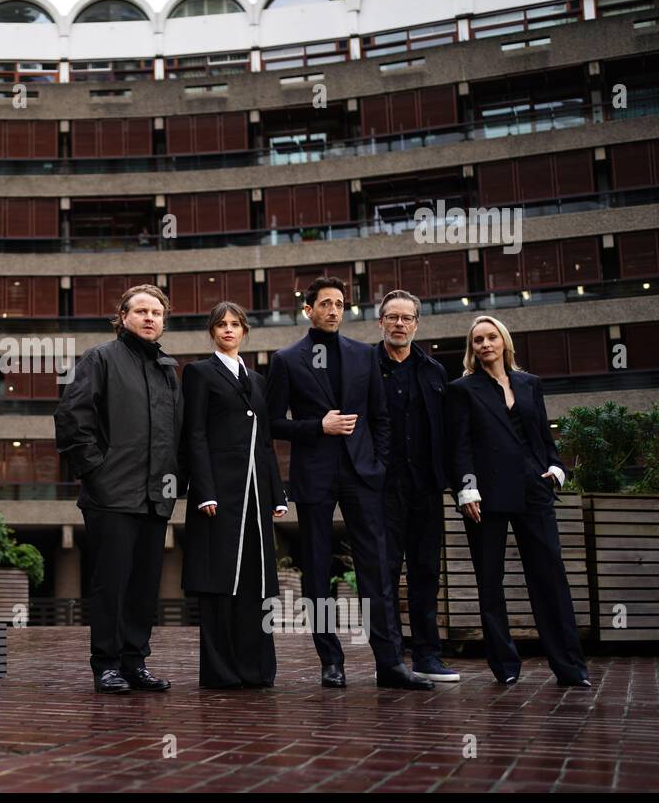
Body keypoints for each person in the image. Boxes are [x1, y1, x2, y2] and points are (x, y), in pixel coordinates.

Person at [266, 276, 433, 690]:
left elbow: (380, 418)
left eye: (339, 303)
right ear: (309, 310)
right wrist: (317, 427)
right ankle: (331, 660)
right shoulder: (286, 359)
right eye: (325, 303)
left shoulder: (363, 356)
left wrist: (376, 464)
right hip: (315, 476)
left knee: (376, 569)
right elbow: (273, 423)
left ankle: (390, 662)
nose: (333, 310)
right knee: (317, 571)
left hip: (362, 476)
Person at [445, 315, 590, 687]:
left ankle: (570, 668)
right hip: (485, 495)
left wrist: (557, 469)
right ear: (472, 349)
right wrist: (466, 488)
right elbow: (458, 445)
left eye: (491, 337)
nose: (485, 345)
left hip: (534, 489)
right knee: (490, 582)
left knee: (550, 579)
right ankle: (506, 667)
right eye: (478, 340)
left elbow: (543, 437)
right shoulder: (463, 389)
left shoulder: (530, 385)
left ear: (504, 342)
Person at [54, 284, 185, 694]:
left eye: (157, 313)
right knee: (111, 583)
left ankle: (134, 662)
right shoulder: (100, 358)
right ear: (123, 317)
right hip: (111, 496)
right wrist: (97, 472)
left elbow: (176, 435)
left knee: (144, 586)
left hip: (155, 497)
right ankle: (106, 665)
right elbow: (72, 419)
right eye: (141, 311)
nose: (150, 318)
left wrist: (175, 483)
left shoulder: (168, 370)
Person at [182, 302, 288, 688]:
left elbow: (265, 441)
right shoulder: (198, 373)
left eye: (235, 325)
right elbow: (193, 434)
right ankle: (221, 673)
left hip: (257, 494)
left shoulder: (258, 381)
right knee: (219, 581)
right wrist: (203, 491)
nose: (228, 330)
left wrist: (278, 492)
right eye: (221, 325)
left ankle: (256, 671)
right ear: (212, 332)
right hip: (217, 496)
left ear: (244, 331)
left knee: (255, 583)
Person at [375, 289, 460, 682]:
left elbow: (448, 431)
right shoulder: (366, 367)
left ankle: (428, 655)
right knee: (386, 573)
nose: (399, 324)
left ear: (416, 324)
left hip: (426, 487)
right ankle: (390, 661)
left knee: (426, 571)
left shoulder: (434, 371)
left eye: (406, 318)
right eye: (392, 317)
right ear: (381, 322)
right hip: (383, 489)